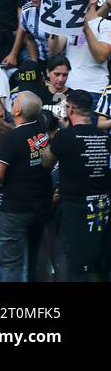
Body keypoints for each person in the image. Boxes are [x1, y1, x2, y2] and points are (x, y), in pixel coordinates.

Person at [43, 90, 111, 281]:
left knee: (75, 264)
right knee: (100, 262)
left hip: (75, 210)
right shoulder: (105, 136)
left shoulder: (65, 137)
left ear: (70, 108)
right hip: (102, 208)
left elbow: (46, 161)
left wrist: (59, 133)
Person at [0, 90, 53, 282]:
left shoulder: (12, 139)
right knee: (34, 258)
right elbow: (19, 132)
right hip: (41, 205)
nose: (12, 102)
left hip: (15, 209)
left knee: (11, 264)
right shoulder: (41, 127)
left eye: (15, 101)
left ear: (16, 111)